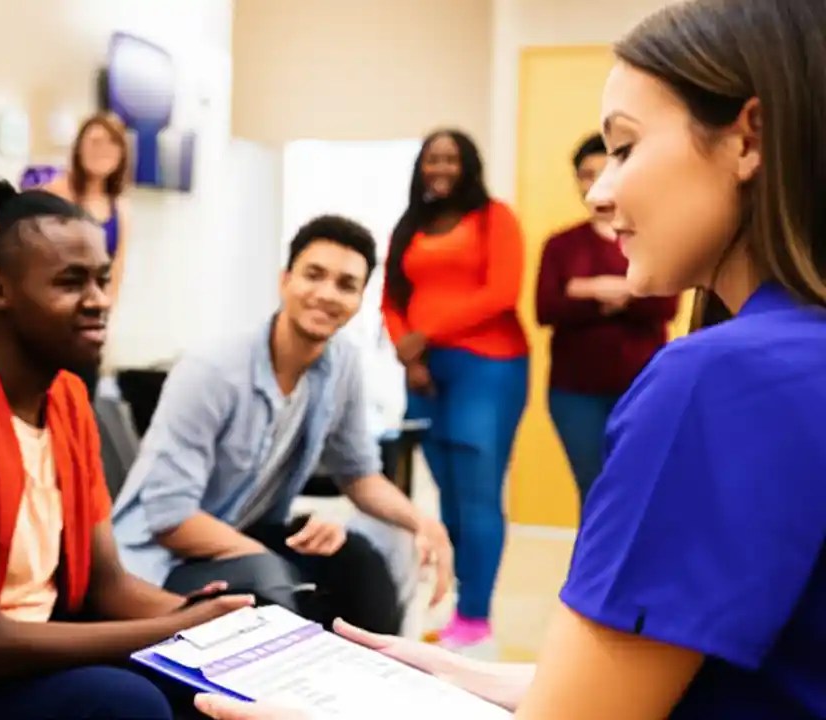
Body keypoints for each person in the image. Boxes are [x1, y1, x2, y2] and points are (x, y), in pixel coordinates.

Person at [194, 0, 826, 717]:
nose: (601, 190)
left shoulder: (714, 379)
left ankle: (476, 612)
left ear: (750, 139)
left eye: (624, 147)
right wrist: (494, 682)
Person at [0, 182, 250, 720]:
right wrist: (177, 628)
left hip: (48, 647)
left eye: (101, 279)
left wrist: (221, 619)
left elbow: (107, 583)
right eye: (71, 283)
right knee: (129, 703)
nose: (98, 300)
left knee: (217, 683)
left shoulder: (70, 398)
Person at [112, 215, 453, 636]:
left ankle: (376, 683)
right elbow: (171, 519)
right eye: (314, 275)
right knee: (274, 585)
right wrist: (275, 562)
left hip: (244, 537)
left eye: (346, 284)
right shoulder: (212, 370)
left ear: (361, 298)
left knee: (360, 559)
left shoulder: (341, 363)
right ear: (285, 281)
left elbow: (359, 474)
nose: (327, 294)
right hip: (159, 560)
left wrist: (425, 524)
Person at [381, 129, 528, 655]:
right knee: (445, 492)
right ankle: (461, 605)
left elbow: (501, 292)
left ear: (468, 165)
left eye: (450, 158)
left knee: (478, 493)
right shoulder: (410, 225)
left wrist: (428, 336)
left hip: (488, 368)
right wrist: (408, 349)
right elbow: (392, 296)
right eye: (431, 159)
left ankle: (477, 618)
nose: (439, 167)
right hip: (423, 372)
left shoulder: (495, 218)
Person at [535, 133, 678, 504]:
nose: (594, 181)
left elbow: (665, 306)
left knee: (639, 491)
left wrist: (588, 289)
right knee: (594, 491)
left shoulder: (652, 236)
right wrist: (620, 291)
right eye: (585, 174)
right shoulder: (560, 245)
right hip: (574, 392)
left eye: (604, 170)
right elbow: (547, 309)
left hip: (642, 385)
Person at [42, 112, 132, 398]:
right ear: (79, 147)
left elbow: (115, 272)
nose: (101, 151)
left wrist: (101, 320)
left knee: (80, 400)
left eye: (110, 144)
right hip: (52, 321)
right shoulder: (55, 194)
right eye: (94, 142)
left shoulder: (121, 209)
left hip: (89, 326)